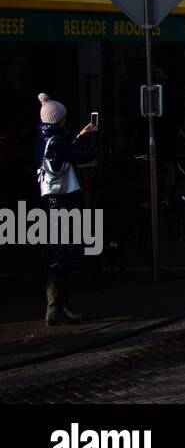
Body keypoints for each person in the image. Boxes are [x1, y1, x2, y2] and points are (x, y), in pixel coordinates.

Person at [35, 94, 97, 326]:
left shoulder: (45, 138)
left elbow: (67, 148)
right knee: (61, 256)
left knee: (57, 256)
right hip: (61, 204)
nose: (66, 121)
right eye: (63, 118)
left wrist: (80, 135)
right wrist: (92, 139)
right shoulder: (57, 143)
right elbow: (82, 156)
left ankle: (59, 308)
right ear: (57, 119)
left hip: (50, 203)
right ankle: (56, 310)